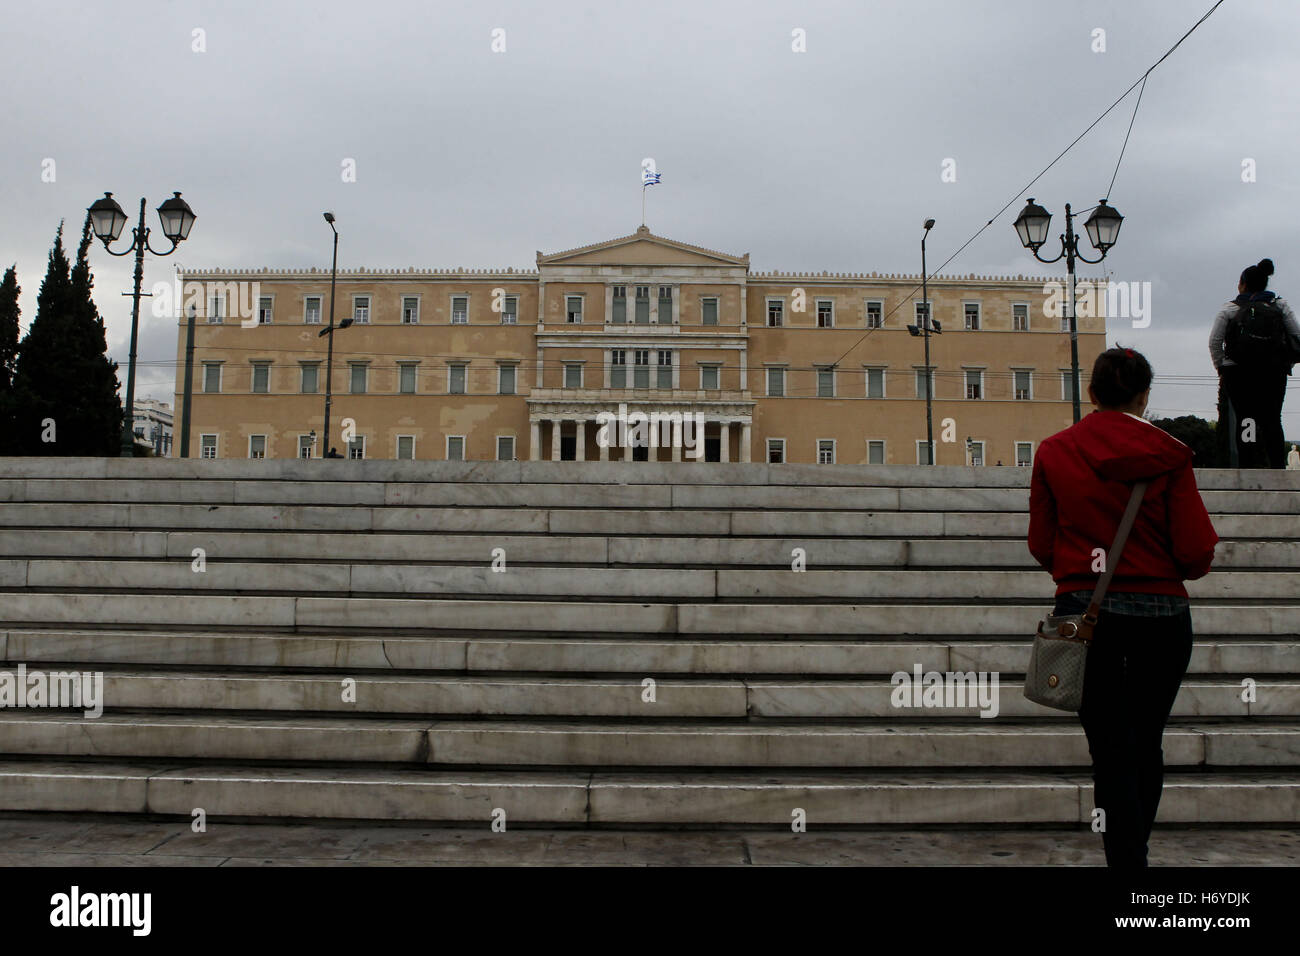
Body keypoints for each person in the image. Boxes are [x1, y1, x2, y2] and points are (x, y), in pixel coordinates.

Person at [1029, 347, 1218, 868]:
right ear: (1144, 396)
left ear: (1091, 394)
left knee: (1109, 748)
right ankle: (1136, 859)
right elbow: (1196, 550)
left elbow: (1041, 542)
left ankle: (1126, 861)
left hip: (1085, 615)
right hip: (1162, 617)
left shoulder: (1054, 451)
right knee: (1146, 741)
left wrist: (1077, 574)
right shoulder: (1172, 454)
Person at [1209, 258, 1300, 468]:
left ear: (1242, 284)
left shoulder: (1230, 309)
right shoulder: (1280, 305)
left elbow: (1214, 341)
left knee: (1246, 418)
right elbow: (1296, 336)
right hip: (1273, 372)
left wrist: (1222, 367)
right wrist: (1288, 361)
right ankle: (1278, 468)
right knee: (1272, 419)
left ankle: (1249, 466)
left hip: (1239, 375)